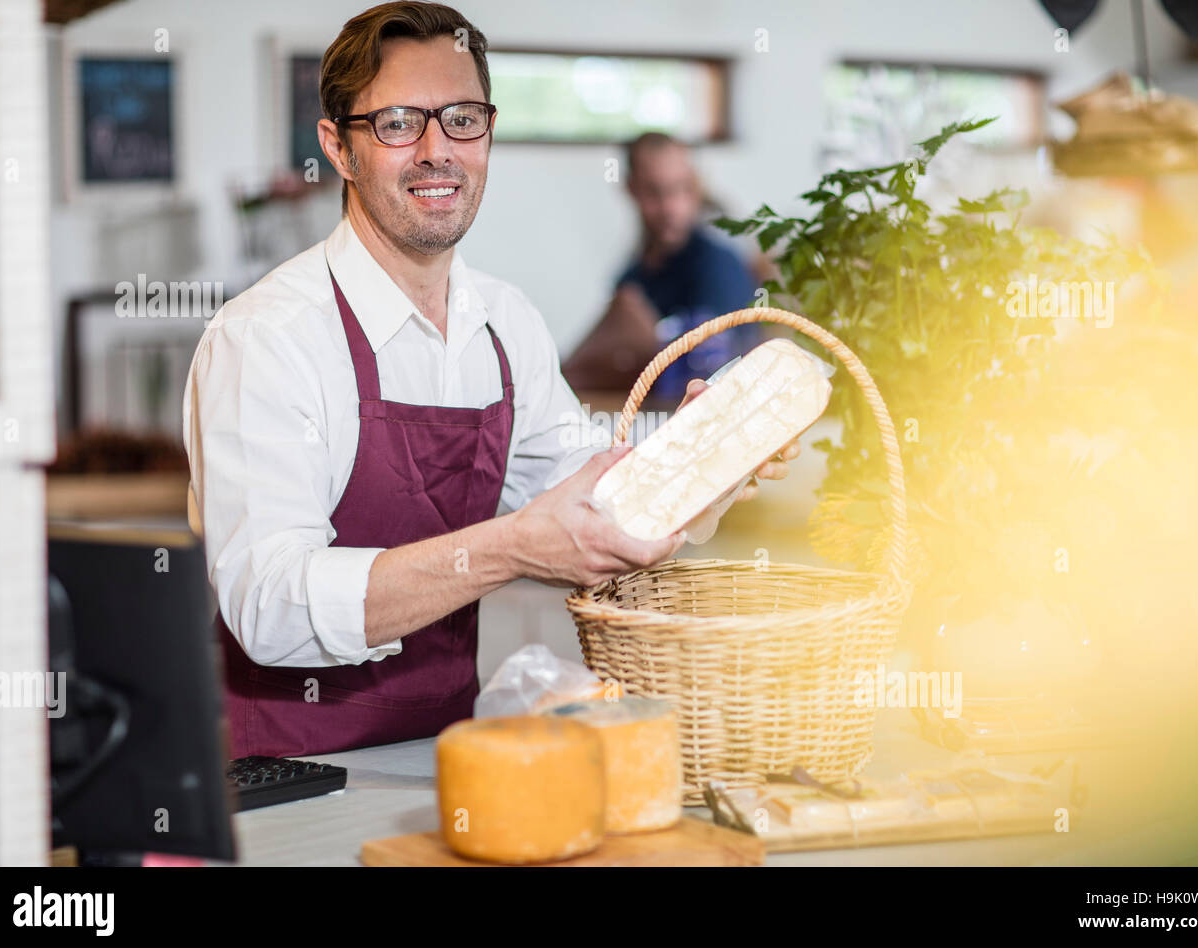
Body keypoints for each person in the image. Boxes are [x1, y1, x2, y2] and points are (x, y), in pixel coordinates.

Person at [182, 2, 798, 760]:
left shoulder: (506, 325)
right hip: (282, 780)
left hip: (449, 763)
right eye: (400, 122)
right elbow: (268, 606)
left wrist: (706, 458)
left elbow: (600, 507)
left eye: (464, 119)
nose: (439, 151)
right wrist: (507, 551)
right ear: (338, 148)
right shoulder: (268, 337)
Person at [562, 132, 764, 396]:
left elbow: (718, 368)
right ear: (631, 189)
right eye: (654, 192)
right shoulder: (633, 274)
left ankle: (556, 385)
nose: (671, 207)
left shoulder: (716, 262)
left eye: (682, 189)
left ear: (696, 187)